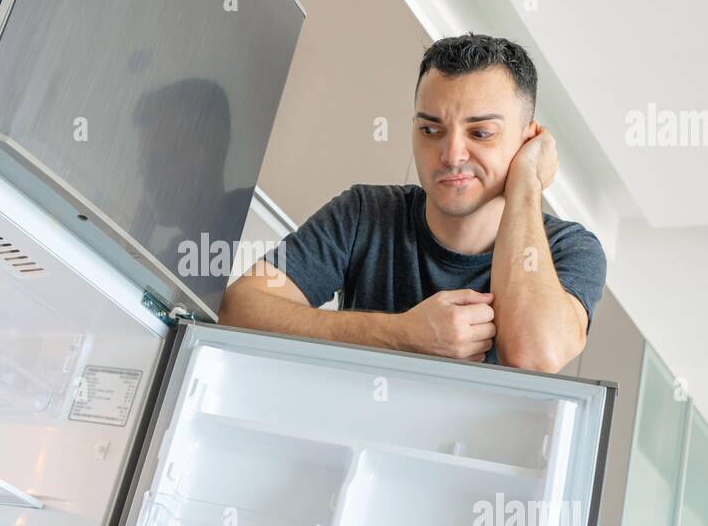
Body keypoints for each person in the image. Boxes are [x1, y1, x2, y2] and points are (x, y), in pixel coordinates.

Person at [219, 33, 606, 373]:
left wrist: (526, 182)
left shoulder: (569, 250)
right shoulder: (364, 213)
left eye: (481, 133)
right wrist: (402, 334)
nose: (452, 154)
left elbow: (535, 355)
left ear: (528, 140)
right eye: (430, 130)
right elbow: (241, 309)